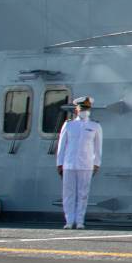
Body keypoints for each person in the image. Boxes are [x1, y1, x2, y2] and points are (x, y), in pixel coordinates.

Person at [54, 97, 102, 230]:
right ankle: (69, 220)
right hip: (69, 163)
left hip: (86, 164)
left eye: (86, 109)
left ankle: (80, 220)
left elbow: (98, 147)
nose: (84, 112)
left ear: (89, 110)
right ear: (76, 110)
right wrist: (60, 163)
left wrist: (96, 163)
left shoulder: (95, 126)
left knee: (83, 194)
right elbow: (62, 145)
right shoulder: (69, 125)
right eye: (82, 109)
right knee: (68, 193)